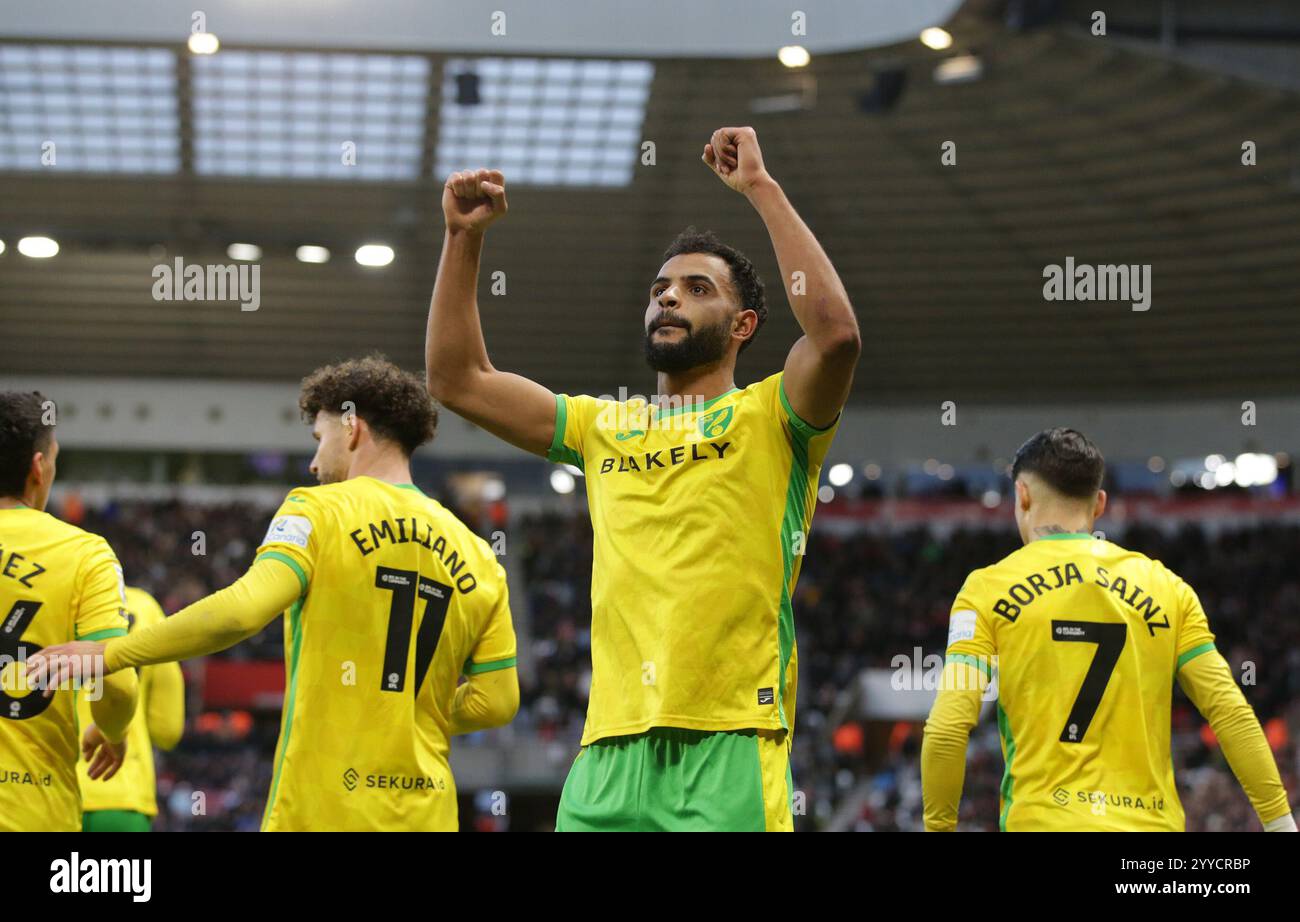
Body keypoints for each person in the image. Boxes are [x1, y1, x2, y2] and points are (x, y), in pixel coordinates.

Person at [426, 127, 860, 830]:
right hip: (605, 756)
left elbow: (836, 334)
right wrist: (462, 238)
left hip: (729, 748)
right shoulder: (602, 427)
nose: (668, 300)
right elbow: (457, 379)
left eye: (696, 289)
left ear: (744, 324)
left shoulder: (774, 416)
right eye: (660, 289)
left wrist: (760, 188)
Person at [29, 356, 518, 831]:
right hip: (430, 814)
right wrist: (406, 714)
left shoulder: (317, 510)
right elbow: (497, 702)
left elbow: (242, 612)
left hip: (324, 811)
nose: (313, 462)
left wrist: (112, 653)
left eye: (319, 439)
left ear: (351, 430)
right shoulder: (480, 556)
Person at [922, 427, 1297, 831]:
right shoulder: (1168, 588)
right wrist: (1280, 826)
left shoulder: (985, 590)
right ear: (1099, 504)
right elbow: (1230, 713)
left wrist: (939, 827)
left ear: (1023, 495)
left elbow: (947, 729)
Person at [0, 390, 138, 832]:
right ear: (39, 468)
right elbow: (115, 686)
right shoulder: (84, 555)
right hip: (31, 812)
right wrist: (113, 733)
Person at [77, 585, 185, 832]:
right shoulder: (145, 608)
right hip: (122, 793)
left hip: (41, 791)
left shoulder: (44, 598)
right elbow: (167, 730)